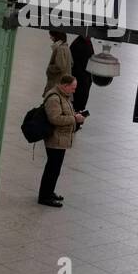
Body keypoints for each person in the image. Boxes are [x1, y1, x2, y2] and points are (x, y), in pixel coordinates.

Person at [38, 75, 83, 207]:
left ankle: (49, 192)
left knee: (55, 169)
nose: (74, 91)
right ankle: (44, 197)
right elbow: (55, 118)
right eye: (73, 88)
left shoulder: (63, 96)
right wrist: (74, 119)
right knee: (52, 169)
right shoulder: (54, 98)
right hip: (55, 139)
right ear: (65, 86)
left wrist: (75, 116)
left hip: (60, 139)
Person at [69, 32, 95, 116]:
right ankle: (75, 114)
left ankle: (76, 113)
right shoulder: (79, 44)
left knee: (79, 100)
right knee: (77, 101)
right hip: (80, 79)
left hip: (84, 78)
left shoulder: (86, 42)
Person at [44, 30, 71, 95]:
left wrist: (49, 69)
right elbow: (71, 63)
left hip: (56, 83)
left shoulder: (60, 49)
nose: (50, 38)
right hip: (63, 84)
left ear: (56, 36)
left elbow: (60, 66)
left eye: (52, 36)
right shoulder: (66, 48)